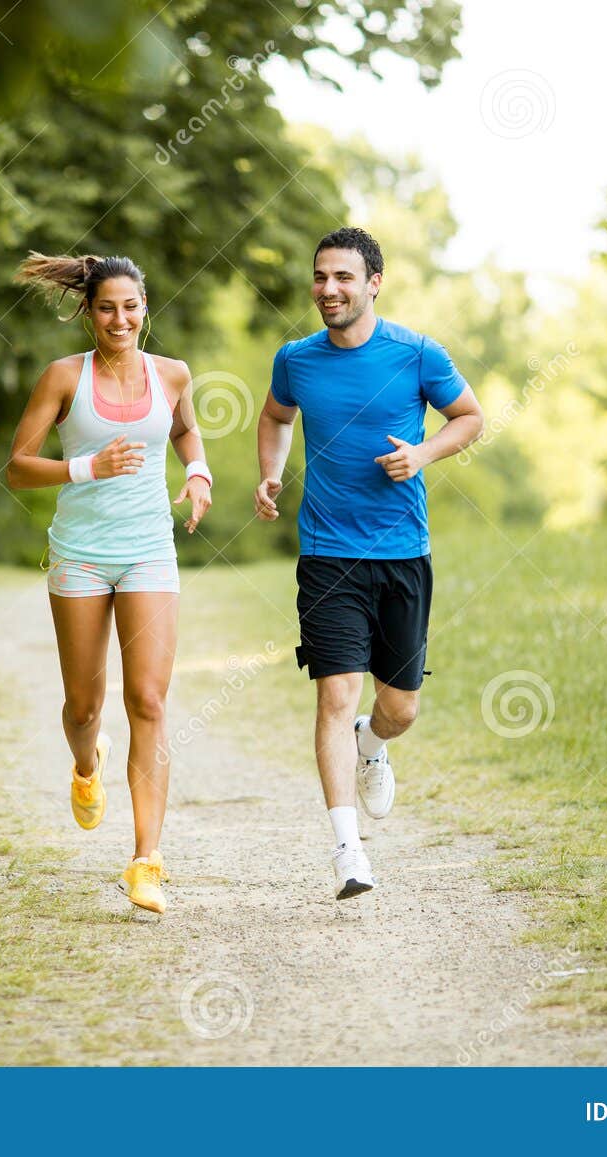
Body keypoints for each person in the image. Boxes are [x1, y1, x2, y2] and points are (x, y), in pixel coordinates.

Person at [255, 227, 484, 899]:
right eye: (320, 277)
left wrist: (422, 455)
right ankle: (348, 850)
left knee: (401, 708)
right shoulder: (296, 359)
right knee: (334, 693)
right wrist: (270, 473)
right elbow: (274, 417)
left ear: (373, 282)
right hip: (327, 555)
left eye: (343, 278)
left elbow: (468, 416)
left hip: (402, 552)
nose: (329, 289)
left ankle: (373, 744)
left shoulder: (415, 353)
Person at [6, 252, 213, 915]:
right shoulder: (64, 376)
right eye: (106, 307)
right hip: (82, 555)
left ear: (145, 307)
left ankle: (146, 860)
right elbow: (17, 466)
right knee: (84, 707)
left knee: (149, 700)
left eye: (130, 306)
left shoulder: (172, 374)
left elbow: (182, 428)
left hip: (150, 550)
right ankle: (86, 762)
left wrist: (200, 468)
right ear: (88, 312)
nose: (119, 319)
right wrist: (86, 467)